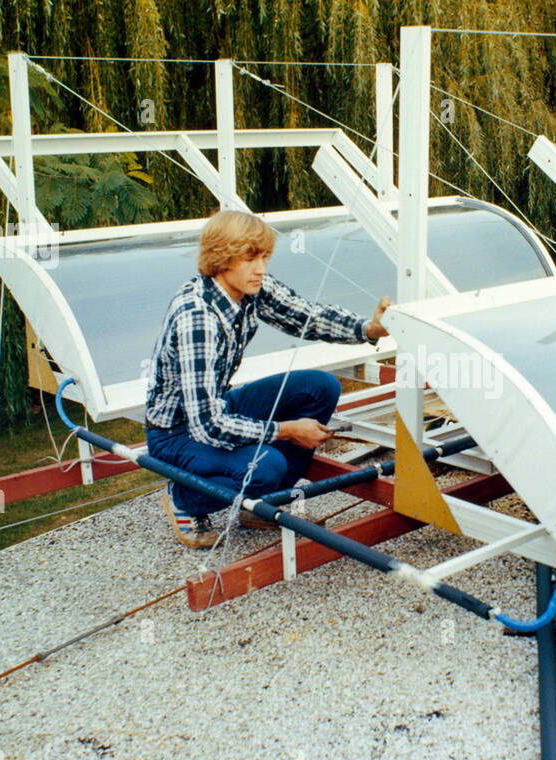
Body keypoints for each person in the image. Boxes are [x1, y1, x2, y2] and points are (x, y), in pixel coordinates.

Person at [146, 209, 390, 547]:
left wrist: (368, 328)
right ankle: (183, 500)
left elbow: (307, 315)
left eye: (264, 256)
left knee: (321, 388)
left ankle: (262, 504)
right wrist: (288, 431)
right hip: (176, 433)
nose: (260, 267)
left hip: (215, 407)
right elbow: (207, 425)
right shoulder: (197, 318)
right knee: (265, 467)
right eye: (249, 258)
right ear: (222, 258)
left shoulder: (248, 285)